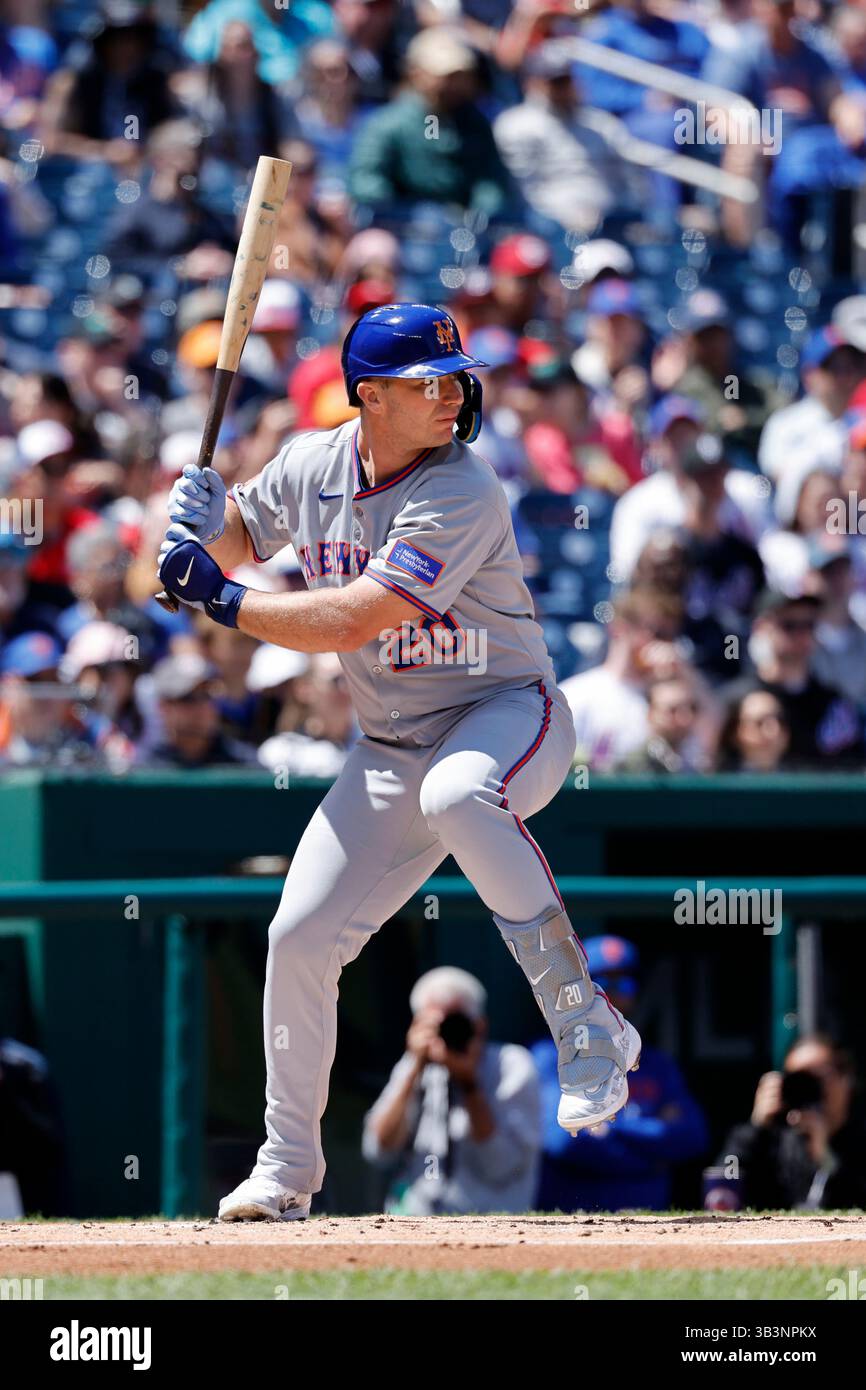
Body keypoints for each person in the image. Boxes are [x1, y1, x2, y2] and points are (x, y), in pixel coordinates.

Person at [156, 302, 642, 1221]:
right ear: (369, 396)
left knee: (462, 791)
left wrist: (221, 595)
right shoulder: (309, 463)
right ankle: (287, 1168)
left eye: (459, 377)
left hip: (505, 712)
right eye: (432, 381)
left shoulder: (463, 487)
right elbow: (224, 550)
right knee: (296, 940)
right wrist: (202, 525)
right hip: (389, 750)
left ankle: (586, 1026)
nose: (455, 395)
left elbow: (353, 617)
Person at [531, 937, 708, 1212]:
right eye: (599, 985)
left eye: (624, 985)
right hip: (571, 1220)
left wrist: (609, 1128)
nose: (611, 997)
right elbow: (563, 1142)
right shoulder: (547, 1056)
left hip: (650, 1220)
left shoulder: (655, 1064)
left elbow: (691, 1136)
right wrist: (652, 1155)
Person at [362, 967, 542, 1214]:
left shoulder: (511, 1065)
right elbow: (378, 1149)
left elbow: (502, 1165)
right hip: (416, 1225)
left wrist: (469, 1084)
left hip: (491, 1227)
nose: (447, 1035)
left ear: (480, 1026)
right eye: (437, 1025)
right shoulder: (414, 1064)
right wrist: (414, 1067)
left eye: (456, 1022)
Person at [348, 28, 517, 217]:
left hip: (465, 229)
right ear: (416, 74)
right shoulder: (388, 124)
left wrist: (482, 212)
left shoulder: (474, 122)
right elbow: (367, 180)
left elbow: (490, 179)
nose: (453, 85)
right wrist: (403, 212)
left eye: (461, 76)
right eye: (445, 76)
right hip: (407, 228)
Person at [716, 1035, 866, 1209]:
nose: (809, 1087)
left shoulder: (859, 1140)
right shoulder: (772, 1138)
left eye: (819, 1078)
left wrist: (826, 1160)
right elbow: (723, 1187)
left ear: (846, 1079)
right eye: (799, 1079)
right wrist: (755, 1129)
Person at [493, 40, 626, 234]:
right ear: (534, 82)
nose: (561, 87)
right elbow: (525, 187)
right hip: (547, 219)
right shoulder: (515, 125)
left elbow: (624, 177)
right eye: (554, 81)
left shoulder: (600, 123)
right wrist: (567, 213)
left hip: (606, 214)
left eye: (565, 80)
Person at [723, 590, 863, 767]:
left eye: (809, 625)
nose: (801, 635)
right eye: (789, 625)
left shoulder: (833, 704)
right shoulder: (740, 699)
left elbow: (853, 769)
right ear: (761, 627)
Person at [559, 586, 689, 771]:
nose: (663, 643)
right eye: (656, 632)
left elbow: (710, 740)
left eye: (669, 635)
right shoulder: (577, 695)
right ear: (619, 629)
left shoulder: (676, 693)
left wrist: (684, 672)